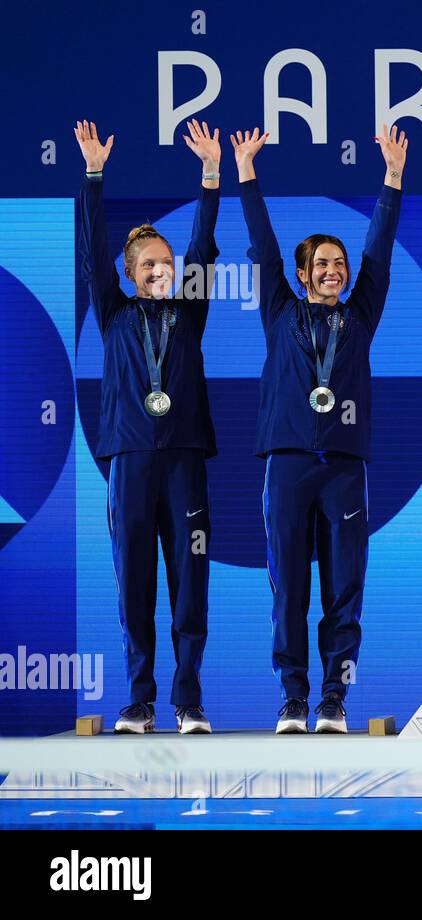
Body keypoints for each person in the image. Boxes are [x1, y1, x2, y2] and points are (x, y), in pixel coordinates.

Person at [231, 124, 406, 733]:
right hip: (287, 463)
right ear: (303, 273)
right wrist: (246, 172)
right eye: (322, 264)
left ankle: (335, 697)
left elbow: (378, 254)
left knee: (344, 588)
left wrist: (392, 179)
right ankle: (293, 699)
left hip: (345, 466)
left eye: (338, 262)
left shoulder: (361, 314)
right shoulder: (279, 308)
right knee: (288, 589)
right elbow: (262, 244)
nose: (333, 270)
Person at [76, 118, 220, 734]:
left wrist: (210, 177)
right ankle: (139, 700)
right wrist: (93, 176)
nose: (163, 271)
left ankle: (188, 699)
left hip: (183, 459)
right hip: (130, 459)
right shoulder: (112, 313)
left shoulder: (190, 313)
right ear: (132, 273)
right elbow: (90, 249)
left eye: (169, 263)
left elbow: (204, 244)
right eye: (151, 265)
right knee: (134, 583)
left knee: (189, 585)